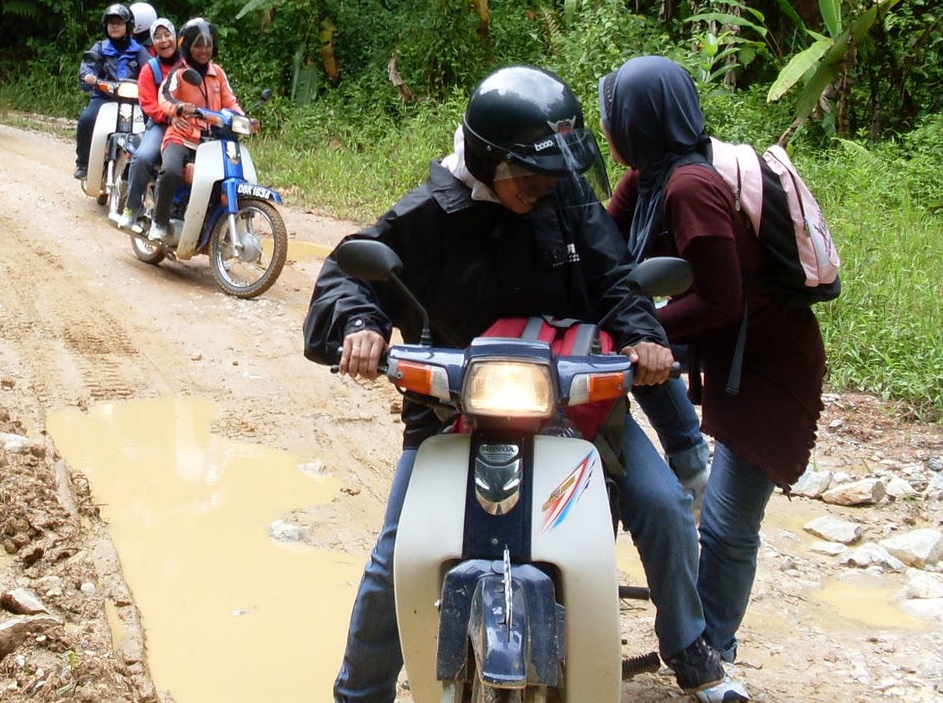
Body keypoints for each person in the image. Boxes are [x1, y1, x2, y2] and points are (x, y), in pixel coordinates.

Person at [303, 65, 748, 703]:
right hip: (451, 415)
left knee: (664, 504)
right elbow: (348, 272)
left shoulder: (563, 197)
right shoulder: (428, 214)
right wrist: (360, 325)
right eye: (530, 177)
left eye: (552, 177)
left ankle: (692, 650)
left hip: (574, 407)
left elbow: (616, 279)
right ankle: (360, 691)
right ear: (486, 159)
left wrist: (643, 335)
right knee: (397, 552)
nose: (543, 188)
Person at [598, 55, 825, 668]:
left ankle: (710, 649)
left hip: (769, 366)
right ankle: (687, 465)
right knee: (631, 354)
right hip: (723, 351)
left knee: (726, 525)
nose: (607, 126)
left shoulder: (689, 187)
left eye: (613, 115)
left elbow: (721, 301)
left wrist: (634, 333)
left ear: (638, 122)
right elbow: (603, 255)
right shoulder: (646, 181)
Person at [147, 17, 239, 246]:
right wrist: (178, 109)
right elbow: (165, 96)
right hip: (182, 136)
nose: (204, 50)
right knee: (171, 171)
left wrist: (244, 119)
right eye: (198, 44)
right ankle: (159, 223)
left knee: (228, 178)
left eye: (208, 44)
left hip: (212, 141)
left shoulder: (217, 73)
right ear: (187, 46)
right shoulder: (178, 73)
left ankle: (215, 227)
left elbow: (231, 102)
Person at [118, 17, 181, 232]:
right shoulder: (149, 69)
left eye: (167, 34)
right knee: (144, 157)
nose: (164, 40)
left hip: (188, 126)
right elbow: (148, 104)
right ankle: (131, 208)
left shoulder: (187, 65)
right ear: (152, 43)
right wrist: (169, 118)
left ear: (176, 37)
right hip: (160, 124)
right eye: (158, 36)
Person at [75, 4, 142, 180]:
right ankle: (83, 162)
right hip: (104, 98)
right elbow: (87, 65)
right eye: (111, 23)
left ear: (128, 26)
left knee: (147, 128)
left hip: (133, 101)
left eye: (119, 23)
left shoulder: (138, 50)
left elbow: (153, 70)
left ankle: (139, 170)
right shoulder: (100, 47)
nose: (114, 26)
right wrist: (89, 76)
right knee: (87, 120)